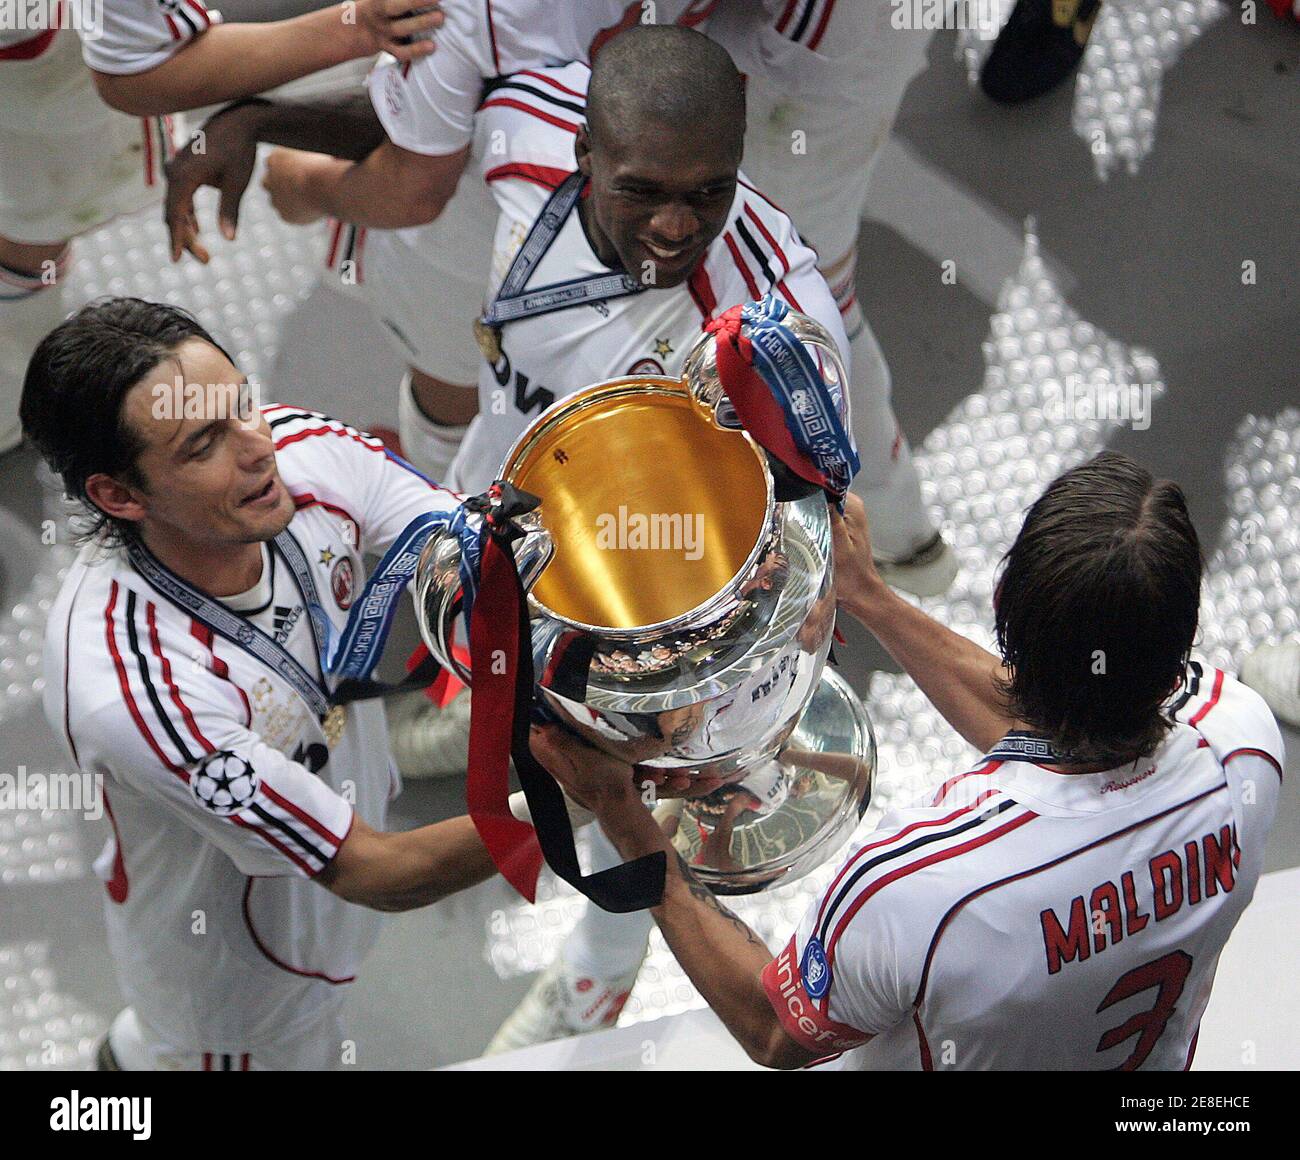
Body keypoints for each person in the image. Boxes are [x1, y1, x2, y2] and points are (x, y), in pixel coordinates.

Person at [165, 0, 955, 596]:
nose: (676, 229)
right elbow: (457, 119)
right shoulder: (530, 119)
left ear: (744, 173)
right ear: (582, 148)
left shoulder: (775, 323)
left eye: (709, 193)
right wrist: (266, 122)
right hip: (502, 491)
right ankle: (443, 540)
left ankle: (903, 543)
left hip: (628, 562)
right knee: (454, 368)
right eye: (642, 190)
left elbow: (774, 528)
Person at [539, 452, 1284, 1069]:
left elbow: (772, 1028)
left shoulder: (918, 888)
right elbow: (1071, 717)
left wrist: (625, 817)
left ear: (1001, 604)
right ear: (1178, 647)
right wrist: (870, 596)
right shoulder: (1243, 743)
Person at [20, 296, 569, 1070]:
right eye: (202, 443)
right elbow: (375, 870)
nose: (258, 447)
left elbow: (466, 559)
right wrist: (578, 793)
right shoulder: (137, 687)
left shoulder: (304, 450)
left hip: (328, 846)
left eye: (241, 404)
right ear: (119, 495)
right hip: (240, 975)